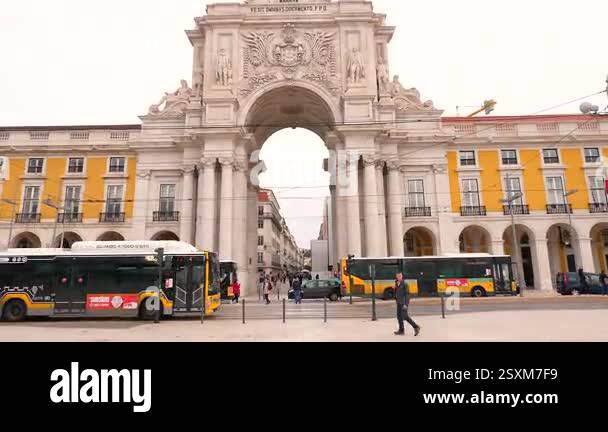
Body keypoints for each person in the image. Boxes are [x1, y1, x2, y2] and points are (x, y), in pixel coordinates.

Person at [394, 272, 420, 336]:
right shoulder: (396, 283)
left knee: (405, 316)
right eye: (398, 276)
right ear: (396, 277)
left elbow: (407, 295)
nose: (399, 277)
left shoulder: (405, 284)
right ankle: (401, 330)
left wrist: (406, 304)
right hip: (399, 302)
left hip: (403, 303)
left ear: (402, 276)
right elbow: (397, 293)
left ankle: (416, 327)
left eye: (400, 276)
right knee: (399, 317)